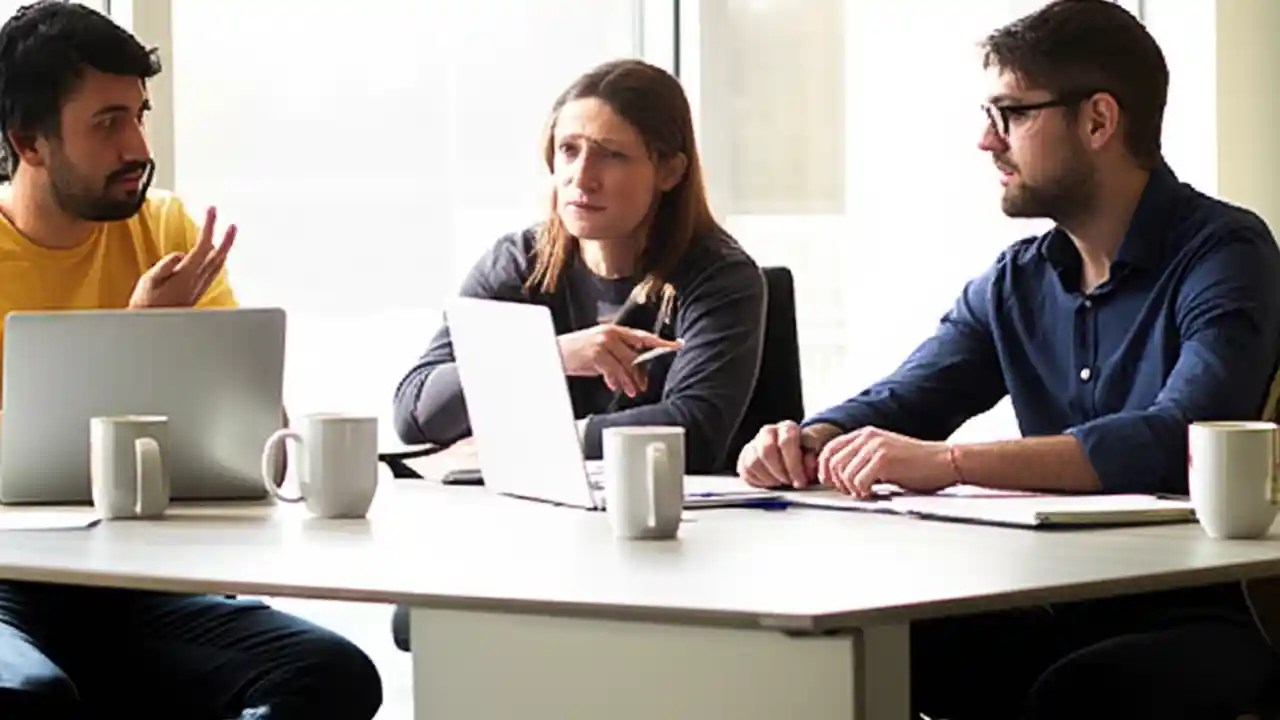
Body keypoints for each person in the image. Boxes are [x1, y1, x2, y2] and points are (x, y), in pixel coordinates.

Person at [738, 1, 1280, 717]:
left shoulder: (1226, 253)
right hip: (1058, 601)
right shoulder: (1016, 279)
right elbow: (907, 398)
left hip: (1212, 612)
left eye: (1010, 114)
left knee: (1081, 693)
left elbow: (1181, 435)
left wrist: (954, 463)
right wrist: (812, 438)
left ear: (1098, 122)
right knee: (875, 644)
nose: (986, 141)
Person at [0, 3, 381, 718]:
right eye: (108, 122)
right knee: (29, 695)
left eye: (139, 115)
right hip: (6, 587)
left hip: (139, 586)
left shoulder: (168, 229)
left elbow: (257, 452)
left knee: (333, 674)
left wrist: (201, 359)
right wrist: (139, 335)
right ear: (29, 142)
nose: (138, 145)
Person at [392, 58, 766, 475]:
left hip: (679, 529)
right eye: (569, 150)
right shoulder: (519, 263)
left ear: (670, 171)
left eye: (613, 156)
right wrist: (551, 356)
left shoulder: (720, 277)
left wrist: (530, 442)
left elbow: (693, 432)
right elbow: (415, 411)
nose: (582, 177)